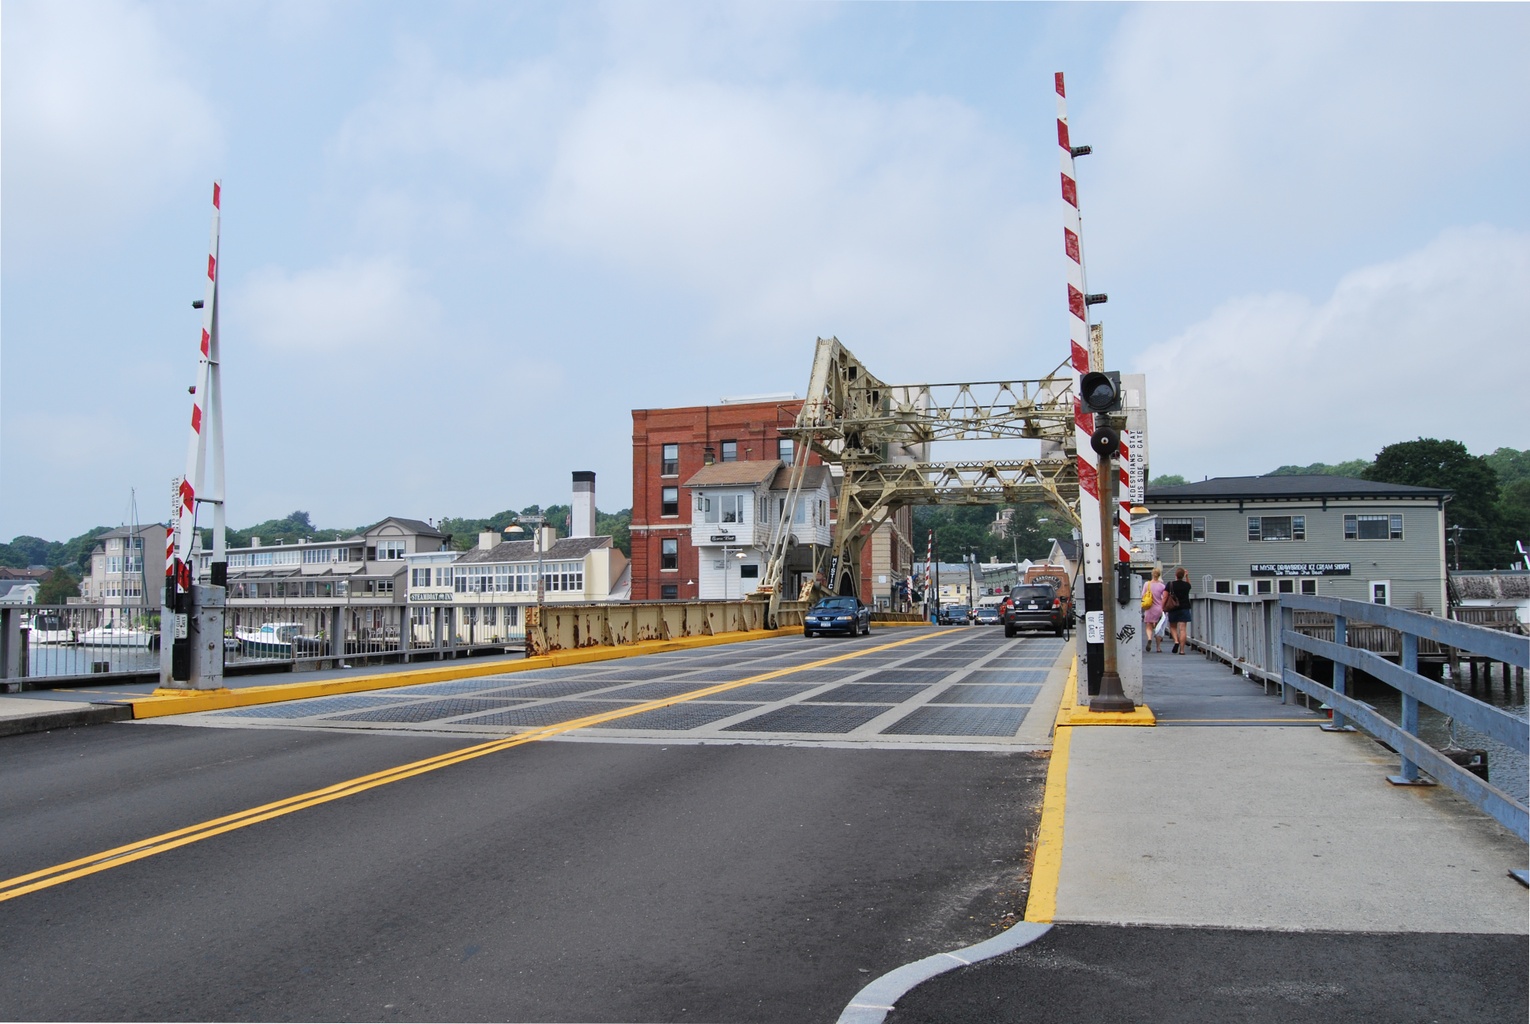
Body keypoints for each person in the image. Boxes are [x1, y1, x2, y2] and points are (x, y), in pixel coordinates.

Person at [1166, 567, 1193, 654]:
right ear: (1183, 576)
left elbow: (1165, 596)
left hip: (1173, 608)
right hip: (1184, 608)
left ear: (1176, 575)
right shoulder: (1186, 585)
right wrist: (1187, 576)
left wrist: (1163, 607)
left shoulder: (1170, 584)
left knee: (1173, 627)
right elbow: (1189, 585)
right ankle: (1182, 650)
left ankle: (1176, 641)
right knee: (1183, 629)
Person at [1142, 567, 1167, 653]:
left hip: (1149, 608)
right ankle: (1158, 647)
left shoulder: (1146, 584)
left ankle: (1149, 638)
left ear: (1152, 574)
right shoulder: (1162, 586)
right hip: (1158, 608)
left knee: (1149, 625)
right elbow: (1164, 597)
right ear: (1159, 575)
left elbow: (1143, 595)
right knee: (1158, 628)